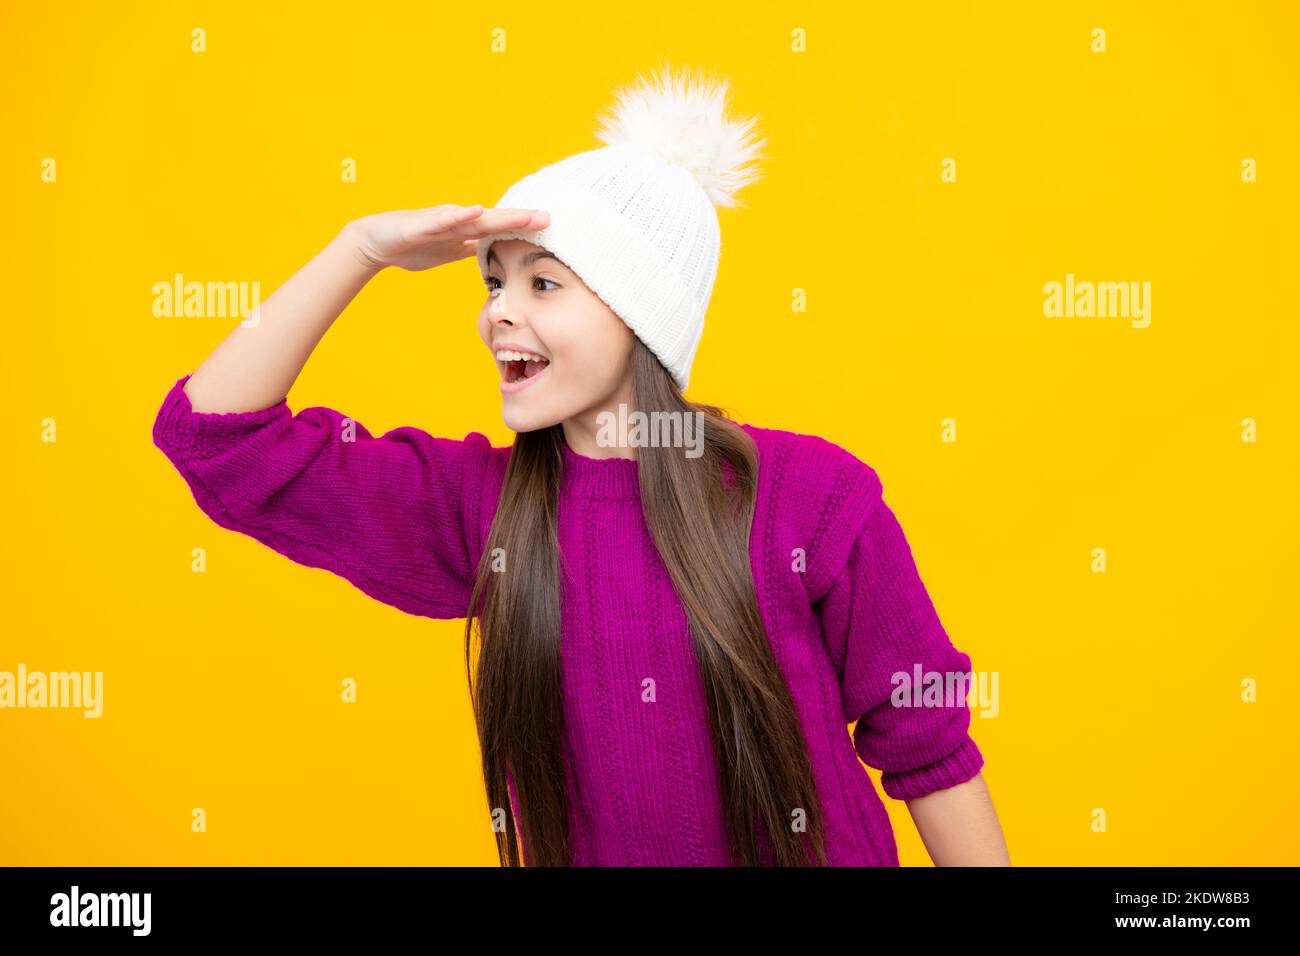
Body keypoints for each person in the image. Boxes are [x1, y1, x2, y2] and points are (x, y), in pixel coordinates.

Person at [152, 62, 1010, 867]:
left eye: (543, 284)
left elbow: (928, 740)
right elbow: (216, 440)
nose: (497, 315)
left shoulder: (810, 497)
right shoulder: (478, 510)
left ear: (641, 315)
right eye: (493, 283)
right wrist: (360, 250)